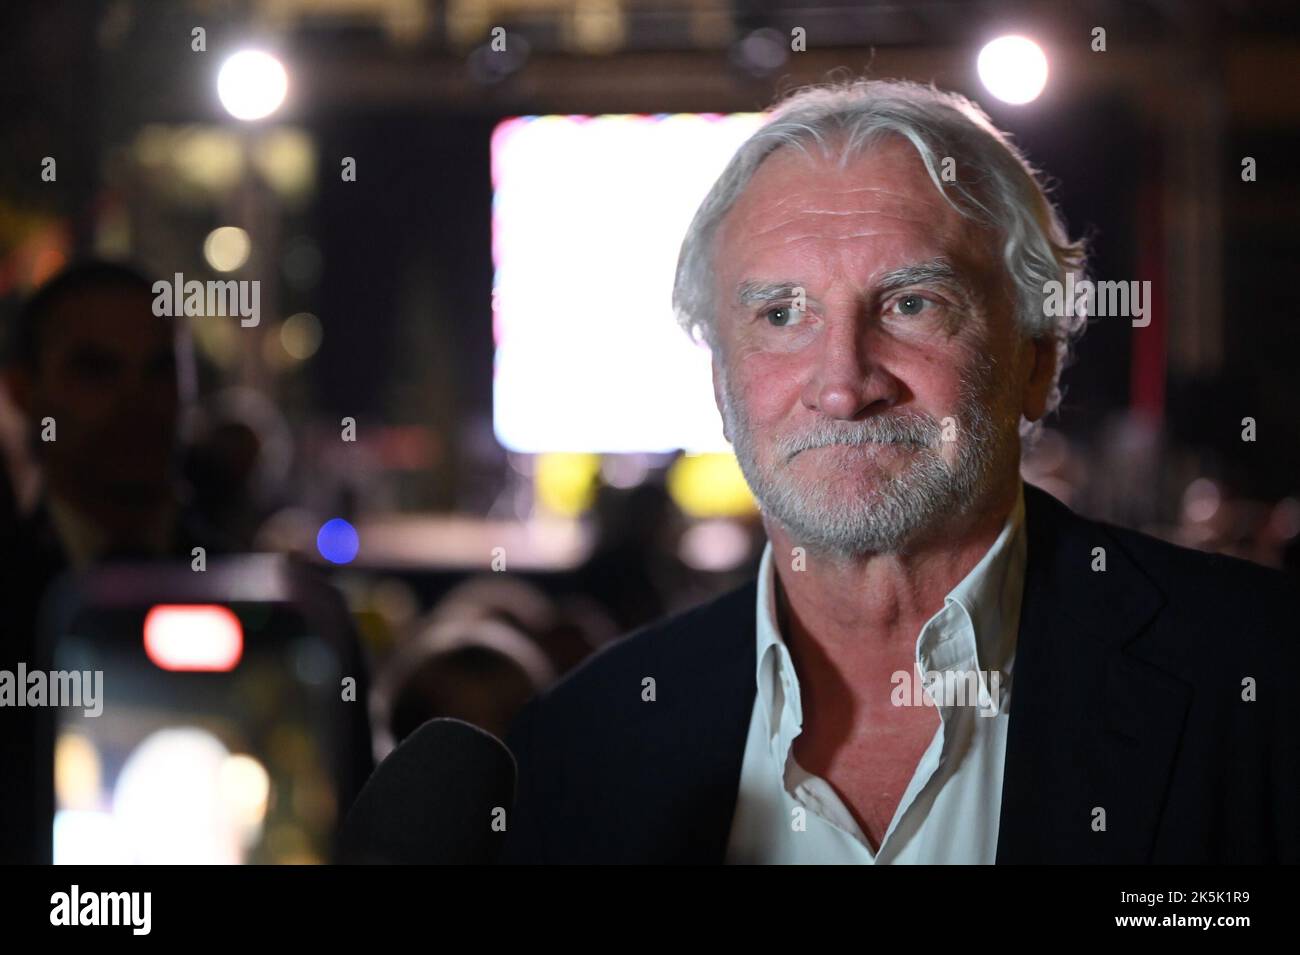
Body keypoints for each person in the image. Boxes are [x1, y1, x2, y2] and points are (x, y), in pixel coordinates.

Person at [500, 79, 1298, 864]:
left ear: (1035, 359)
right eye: (781, 315)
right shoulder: (580, 744)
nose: (844, 386)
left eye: (912, 304)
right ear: (721, 381)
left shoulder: (1263, 677)